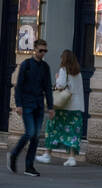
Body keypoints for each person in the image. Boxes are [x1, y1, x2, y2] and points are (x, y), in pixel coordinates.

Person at [8, 38, 54, 175]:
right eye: (41, 50)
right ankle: (14, 154)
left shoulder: (45, 67)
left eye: (45, 51)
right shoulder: (26, 65)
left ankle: (29, 166)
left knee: (35, 137)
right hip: (27, 103)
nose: (43, 53)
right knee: (30, 132)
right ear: (35, 49)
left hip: (39, 104)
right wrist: (18, 105)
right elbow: (19, 86)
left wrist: (50, 107)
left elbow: (48, 88)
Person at [39, 50, 85, 166]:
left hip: (64, 106)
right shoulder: (78, 73)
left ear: (64, 59)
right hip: (76, 106)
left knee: (53, 127)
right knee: (73, 131)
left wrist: (57, 77)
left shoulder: (64, 70)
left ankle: (47, 154)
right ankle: (72, 158)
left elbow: (60, 85)